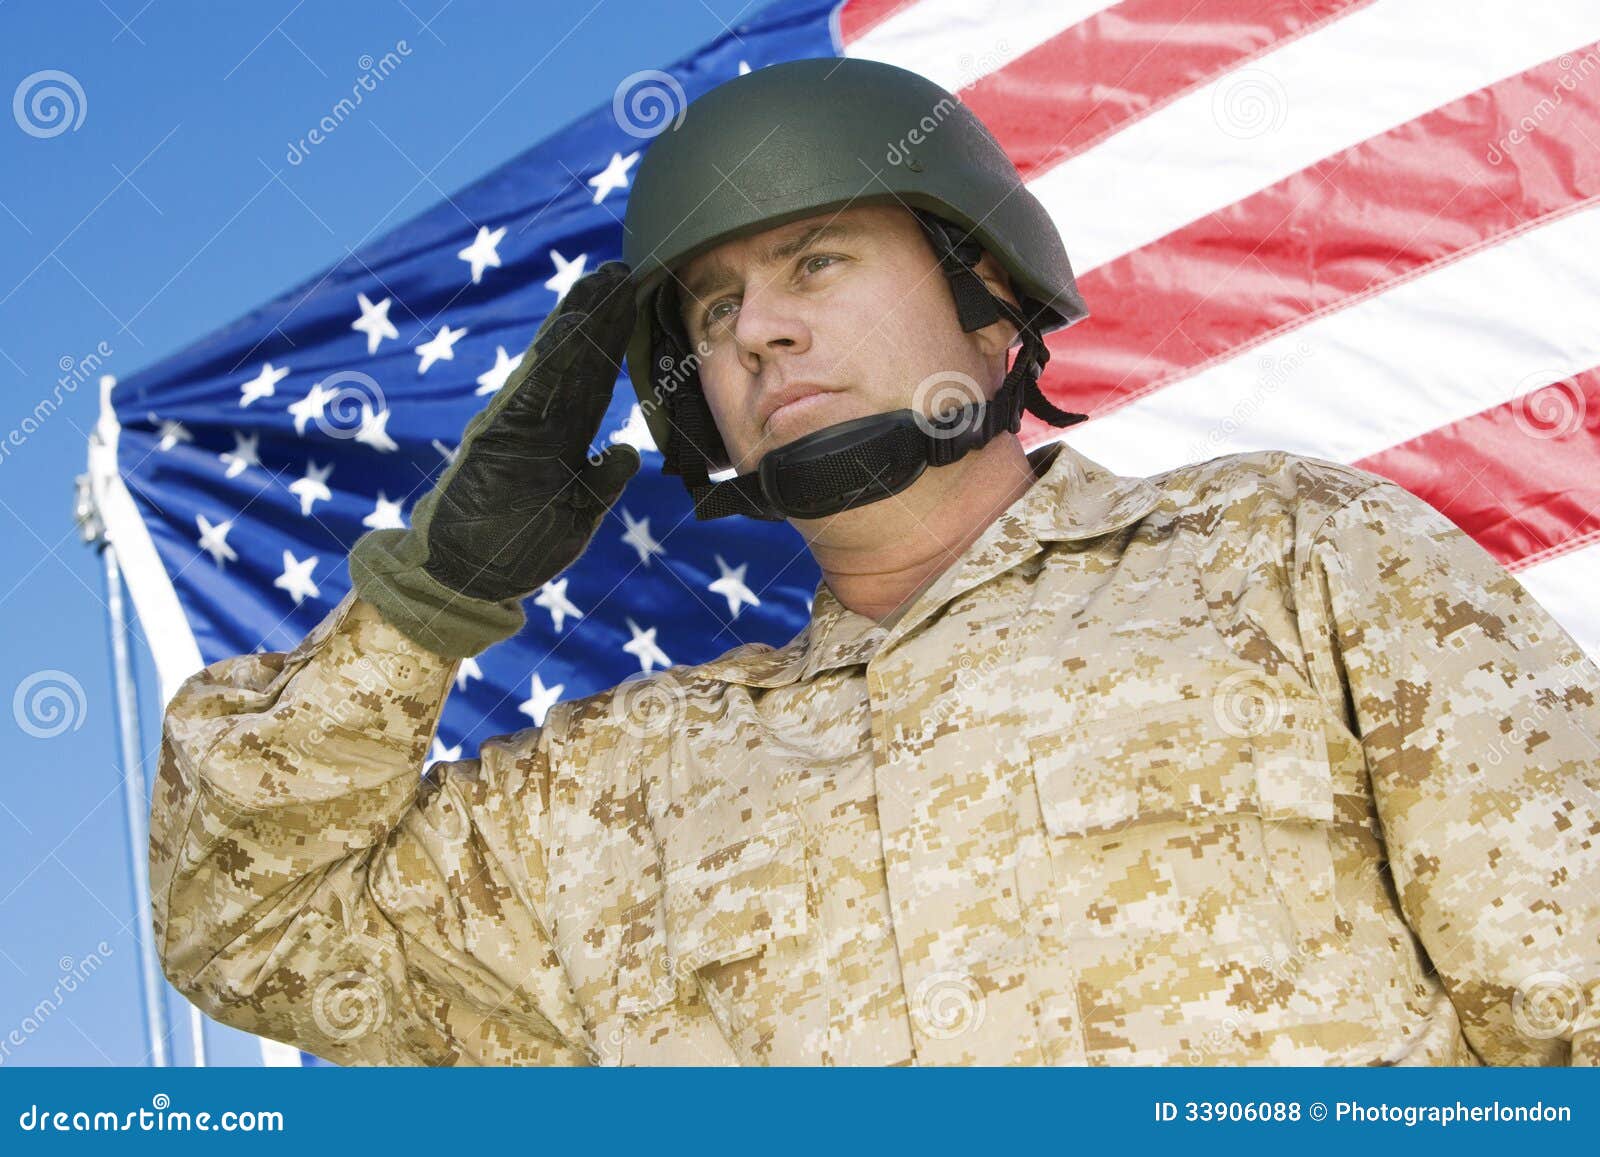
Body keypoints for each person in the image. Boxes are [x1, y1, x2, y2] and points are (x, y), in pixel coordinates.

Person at [149, 57, 1600, 1066]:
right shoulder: (620, 794)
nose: (759, 331)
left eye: (819, 262)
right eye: (712, 312)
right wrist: (426, 607)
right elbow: (249, 925)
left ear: (987, 304)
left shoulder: (1287, 557)